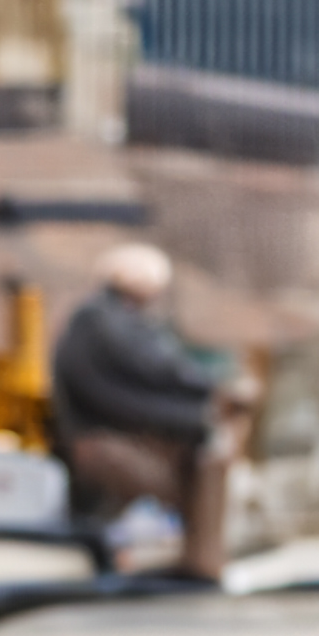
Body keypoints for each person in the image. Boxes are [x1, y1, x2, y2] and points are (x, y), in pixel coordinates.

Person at [43, 239, 248, 583]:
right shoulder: (103, 321)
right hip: (104, 442)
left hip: (112, 434)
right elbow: (150, 373)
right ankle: (203, 560)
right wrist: (203, 404)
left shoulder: (110, 318)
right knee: (206, 461)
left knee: (209, 457)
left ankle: (202, 558)